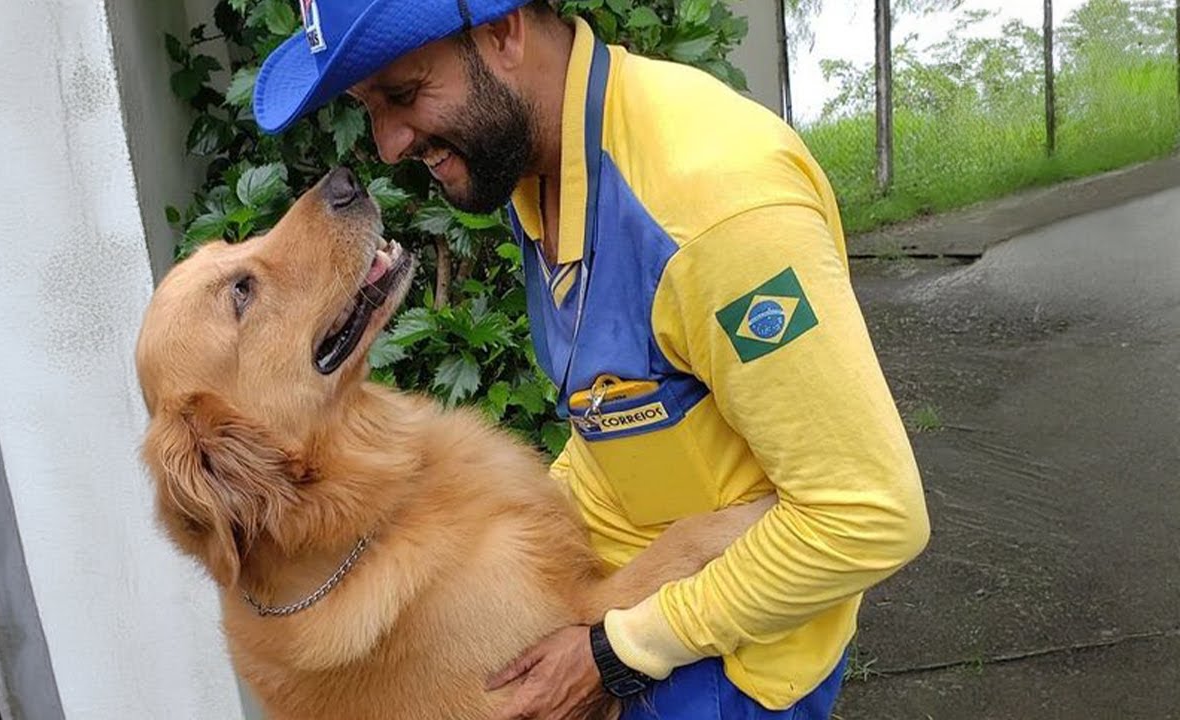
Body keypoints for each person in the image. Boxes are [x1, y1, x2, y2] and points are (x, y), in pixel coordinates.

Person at [253, 1, 930, 718]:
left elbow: (869, 517)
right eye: (370, 108)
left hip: (728, 658)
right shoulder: (540, 166)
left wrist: (616, 650)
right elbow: (617, 404)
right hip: (618, 589)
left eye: (405, 93)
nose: (388, 145)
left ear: (503, 32)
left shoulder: (715, 211)